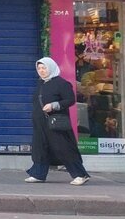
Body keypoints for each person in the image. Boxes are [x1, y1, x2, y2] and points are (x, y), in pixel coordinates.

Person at [26, 57, 91, 186]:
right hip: (41, 124)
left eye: (44, 68)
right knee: (40, 148)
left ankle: (80, 174)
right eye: (39, 68)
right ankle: (38, 174)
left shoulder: (61, 83)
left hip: (55, 123)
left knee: (64, 148)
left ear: (51, 68)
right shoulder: (41, 83)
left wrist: (54, 105)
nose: (41, 71)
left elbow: (70, 100)